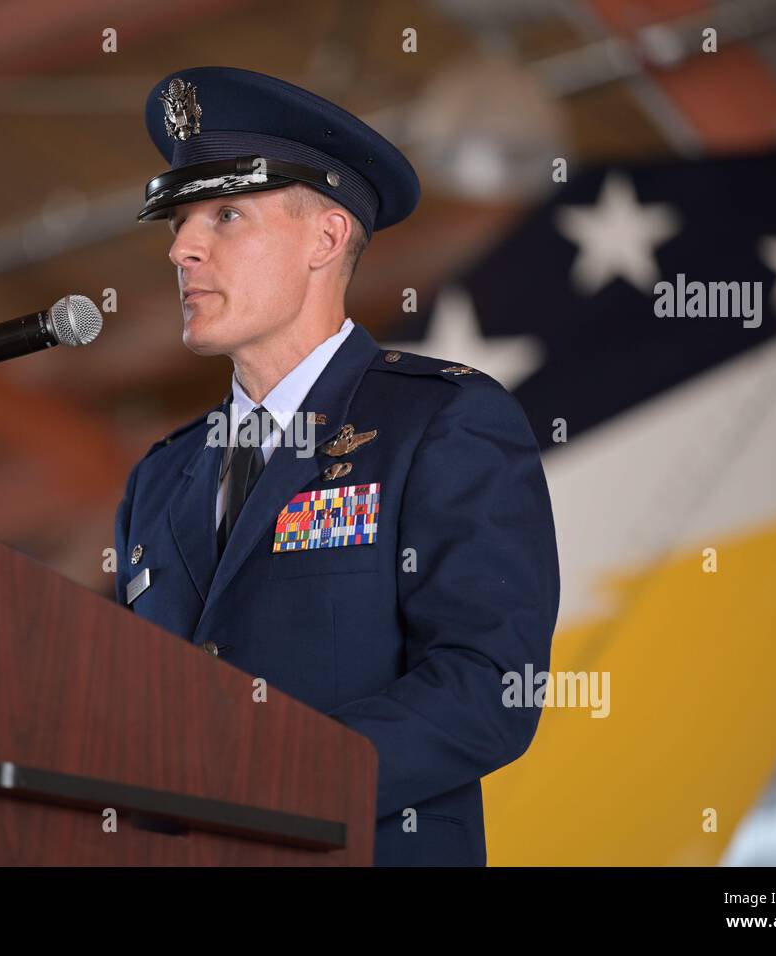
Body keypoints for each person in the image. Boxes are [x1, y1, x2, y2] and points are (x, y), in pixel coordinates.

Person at [113, 66, 559, 866]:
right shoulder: (159, 480)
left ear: (324, 238)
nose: (182, 248)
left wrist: (270, 782)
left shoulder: (439, 421)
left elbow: (489, 686)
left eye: (225, 214)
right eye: (179, 222)